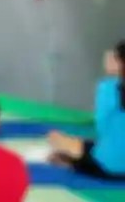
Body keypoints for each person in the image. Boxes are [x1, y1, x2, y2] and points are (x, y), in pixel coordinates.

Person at [47, 42, 125, 181]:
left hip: (110, 167)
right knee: (87, 144)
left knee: (59, 139)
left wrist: (111, 75)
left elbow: (102, 128)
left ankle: (72, 162)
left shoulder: (109, 87)